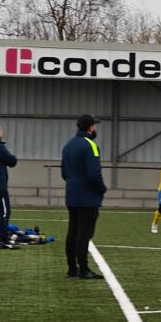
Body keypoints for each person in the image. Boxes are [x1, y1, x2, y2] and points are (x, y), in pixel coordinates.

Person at [61, 114, 107, 278]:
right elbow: (94, 174)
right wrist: (102, 189)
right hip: (87, 197)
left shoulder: (68, 145)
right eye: (94, 125)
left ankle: (72, 269)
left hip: (72, 195)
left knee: (72, 232)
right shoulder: (91, 146)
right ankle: (84, 270)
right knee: (84, 234)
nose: (95, 129)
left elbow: (64, 172)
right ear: (90, 127)